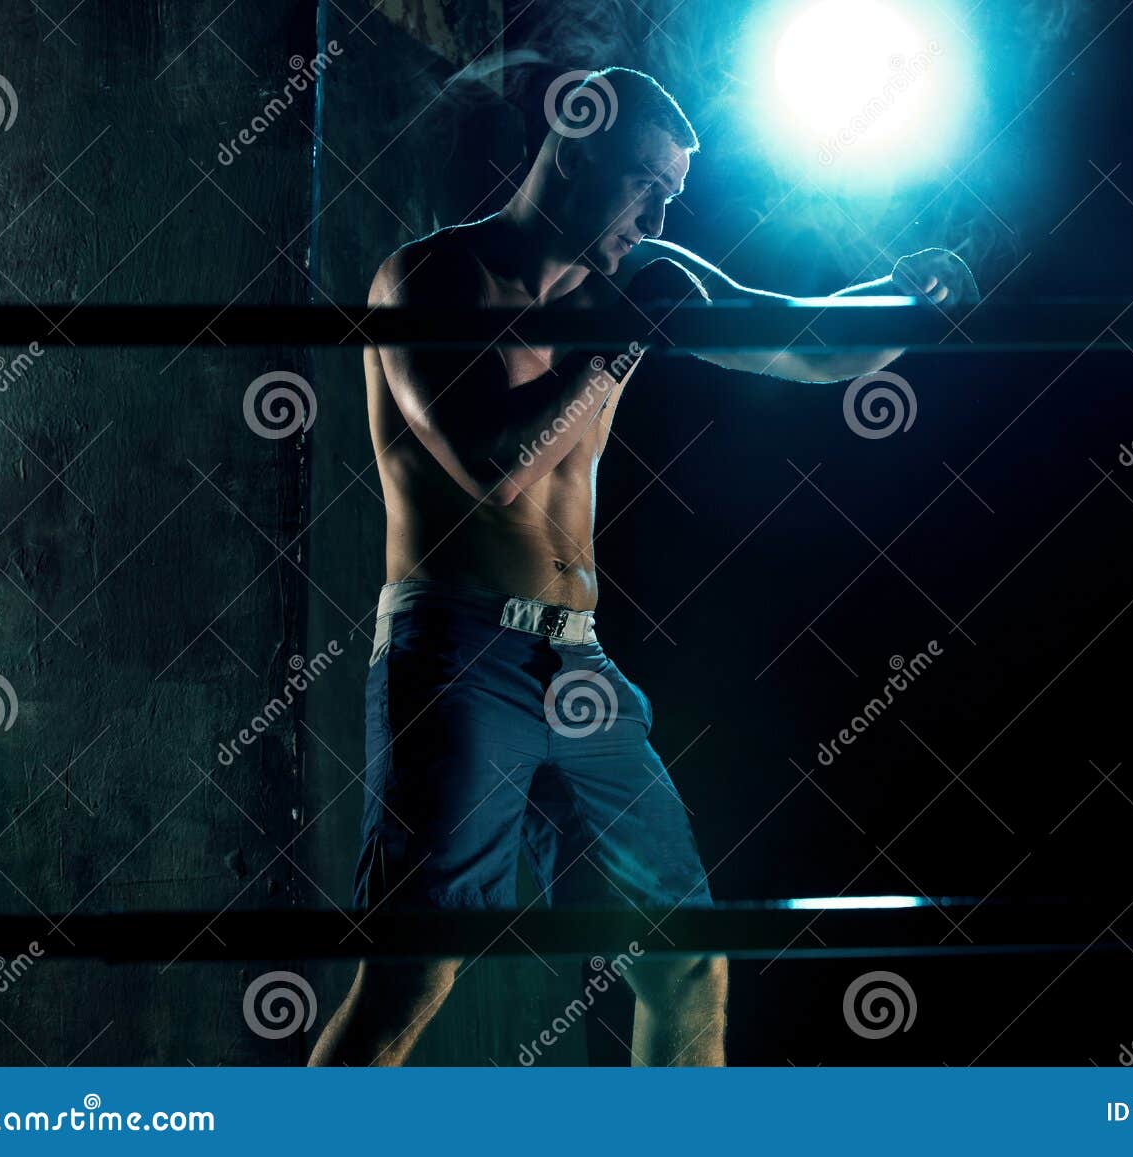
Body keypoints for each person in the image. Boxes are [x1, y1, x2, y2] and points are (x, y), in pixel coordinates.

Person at [309, 66, 976, 1068]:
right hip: (455, 654)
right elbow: (492, 462)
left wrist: (913, 296)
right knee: (413, 972)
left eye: (673, 194)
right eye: (642, 184)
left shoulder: (641, 275)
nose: (658, 213)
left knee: (684, 959)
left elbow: (802, 341)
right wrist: (616, 344)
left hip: (579, 667)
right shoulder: (431, 280)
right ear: (572, 146)